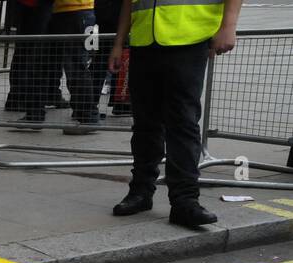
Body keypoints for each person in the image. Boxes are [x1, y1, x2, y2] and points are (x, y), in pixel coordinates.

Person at [108, 0, 243, 227]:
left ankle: (185, 201)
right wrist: (119, 43)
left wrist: (228, 26)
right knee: (144, 124)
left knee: (183, 123)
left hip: (189, 38)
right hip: (144, 42)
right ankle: (140, 192)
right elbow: (129, 3)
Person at [48, 0, 102, 132]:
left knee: (76, 66)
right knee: (75, 65)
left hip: (75, 10)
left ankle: (88, 117)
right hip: (71, 11)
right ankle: (85, 114)